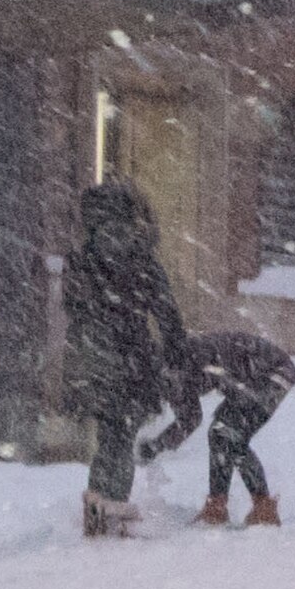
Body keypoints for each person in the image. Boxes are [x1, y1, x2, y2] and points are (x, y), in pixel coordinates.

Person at [61, 180, 191, 538]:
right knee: (122, 433)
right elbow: (166, 313)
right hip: (130, 356)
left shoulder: (79, 257)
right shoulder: (141, 257)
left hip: (88, 355)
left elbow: (71, 306)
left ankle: (97, 504)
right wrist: (176, 355)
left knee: (108, 433)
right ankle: (112, 507)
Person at [158, 327, 295, 526]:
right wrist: (157, 445)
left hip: (271, 372)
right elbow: (191, 418)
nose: (166, 402)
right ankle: (223, 507)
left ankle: (256, 509)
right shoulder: (175, 375)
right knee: (222, 434)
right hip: (246, 378)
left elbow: (220, 372)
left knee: (226, 433)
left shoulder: (187, 359)